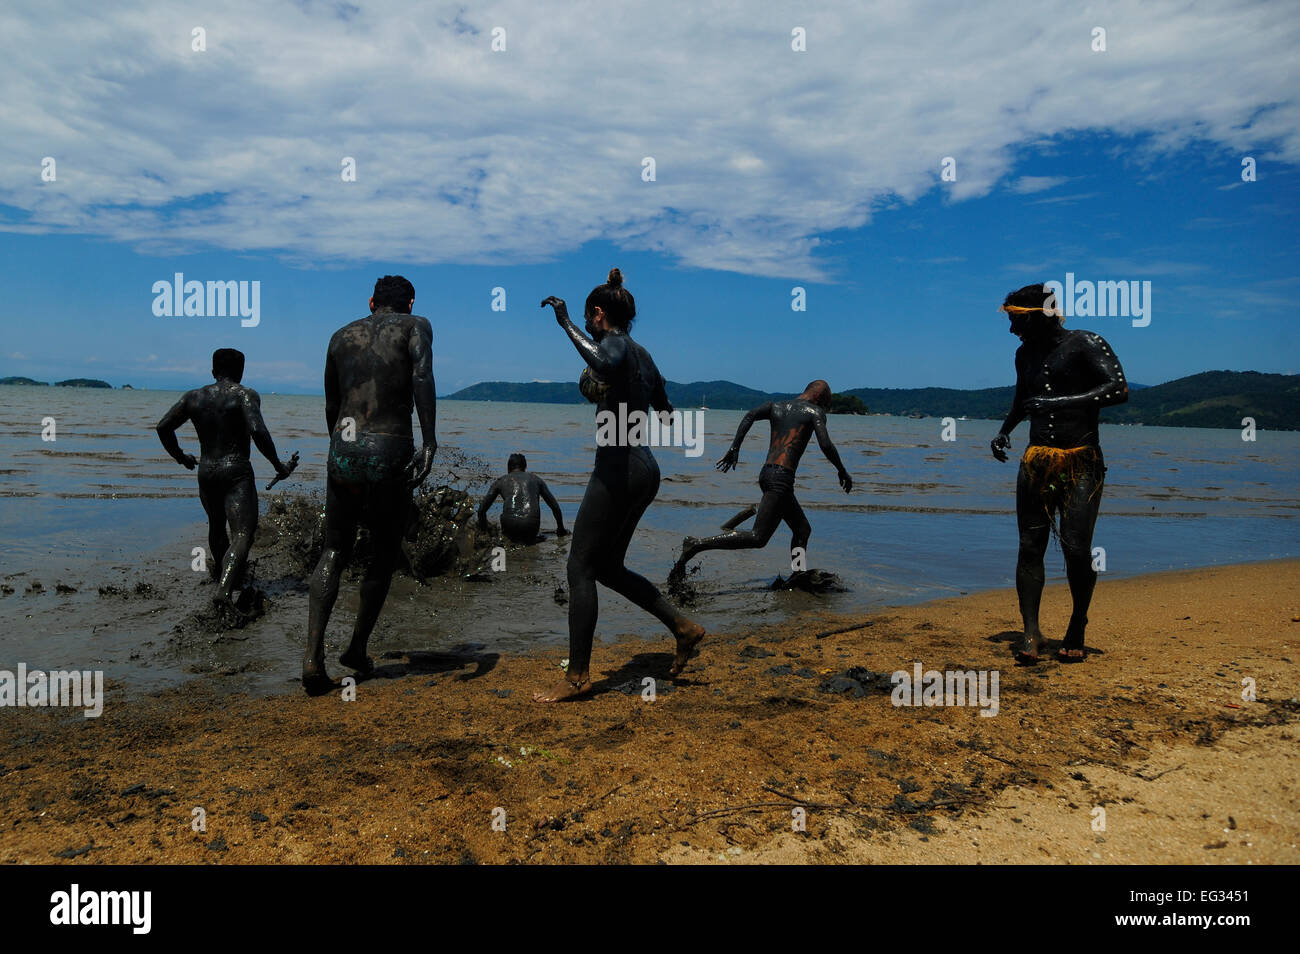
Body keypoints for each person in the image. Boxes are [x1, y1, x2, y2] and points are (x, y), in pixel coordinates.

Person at [535, 268, 705, 702]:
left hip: (617, 467)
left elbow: (604, 360)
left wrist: (564, 324)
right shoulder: (645, 356)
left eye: (589, 319)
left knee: (579, 567)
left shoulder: (613, 344)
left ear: (598, 314)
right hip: (644, 468)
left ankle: (577, 677)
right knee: (606, 567)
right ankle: (683, 627)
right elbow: (666, 411)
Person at [302, 275, 437, 694]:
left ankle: (311, 657)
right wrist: (430, 439)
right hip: (390, 448)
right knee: (382, 554)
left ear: (371, 301)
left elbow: (330, 402)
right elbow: (421, 376)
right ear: (410, 303)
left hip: (343, 450)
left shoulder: (340, 335)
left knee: (334, 549)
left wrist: (339, 449)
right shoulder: (416, 326)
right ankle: (357, 649)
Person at [989, 282, 1128, 663]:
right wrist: (1005, 430)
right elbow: (1023, 398)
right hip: (1036, 459)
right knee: (1029, 546)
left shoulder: (1087, 343)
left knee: (1076, 547)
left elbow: (1117, 389)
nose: (1013, 330)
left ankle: (1077, 624)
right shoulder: (1024, 355)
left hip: (1080, 460)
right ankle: (1031, 633)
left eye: (1018, 321)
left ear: (1041, 315)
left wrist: (1059, 401)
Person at [156, 348, 295, 614]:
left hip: (206, 472)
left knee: (217, 527)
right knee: (243, 534)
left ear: (212, 371)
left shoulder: (193, 397)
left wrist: (181, 458)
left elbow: (163, 427)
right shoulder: (245, 394)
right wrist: (278, 465)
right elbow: (257, 429)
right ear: (241, 372)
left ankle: (222, 576)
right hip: (236, 472)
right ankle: (223, 592)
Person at [670, 381, 852, 581]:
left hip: (767, 474)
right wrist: (841, 470)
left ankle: (798, 573)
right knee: (758, 537)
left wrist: (734, 447)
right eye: (826, 403)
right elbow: (825, 444)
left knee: (802, 529)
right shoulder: (814, 411)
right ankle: (696, 544)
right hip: (781, 478)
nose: (824, 408)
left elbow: (750, 415)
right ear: (820, 398)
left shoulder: (776, 406)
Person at [477, 453, 568, 543]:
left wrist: (483, 532)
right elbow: (555, 507)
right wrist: (561, 529)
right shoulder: (536, 480)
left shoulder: (501, 481)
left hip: (509, 528)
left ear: (508, 468)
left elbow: (481, 510)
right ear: (525, 468)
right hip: (531, 527)